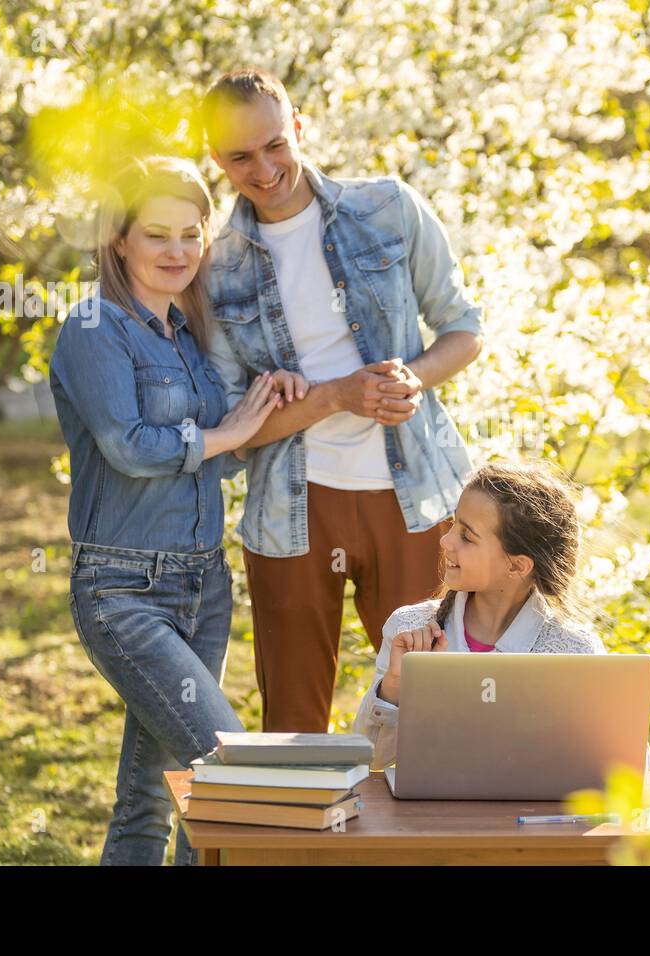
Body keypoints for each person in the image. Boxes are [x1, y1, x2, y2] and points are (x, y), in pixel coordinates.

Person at [198, 67, 484, 733]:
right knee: (294, 721)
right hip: (290, 513)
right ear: (217, 162)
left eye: (274, 145)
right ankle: (306, 840)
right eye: (240, 157)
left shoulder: (388, 208)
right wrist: (333, 396)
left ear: (298, 128)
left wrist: (415, 377)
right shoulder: (216, 266)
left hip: (414, 500)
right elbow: (232, 429)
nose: (264, 170)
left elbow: (464, 329)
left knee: (434, 706)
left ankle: (429, 840)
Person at [49, 155, 306, 865]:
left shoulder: (192, 341)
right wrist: (225, 432)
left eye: (190, 234)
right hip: (123, 591)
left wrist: (266, 396)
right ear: (119, 239)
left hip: (203, 587)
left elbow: (215, 453)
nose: (177, 252)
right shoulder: (94, 327)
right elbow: (128, 446)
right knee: (228, 776)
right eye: (157, 234)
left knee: (151, 797)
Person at [352, 460, 630, 772]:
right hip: (429, 819)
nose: (445, 541)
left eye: (467, 536)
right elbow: (369, 759)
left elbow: (623, 769)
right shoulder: (409, 628)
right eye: (454, 524)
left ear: (516, 566)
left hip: (533, 819)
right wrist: (395, 687)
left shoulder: (575, 650)